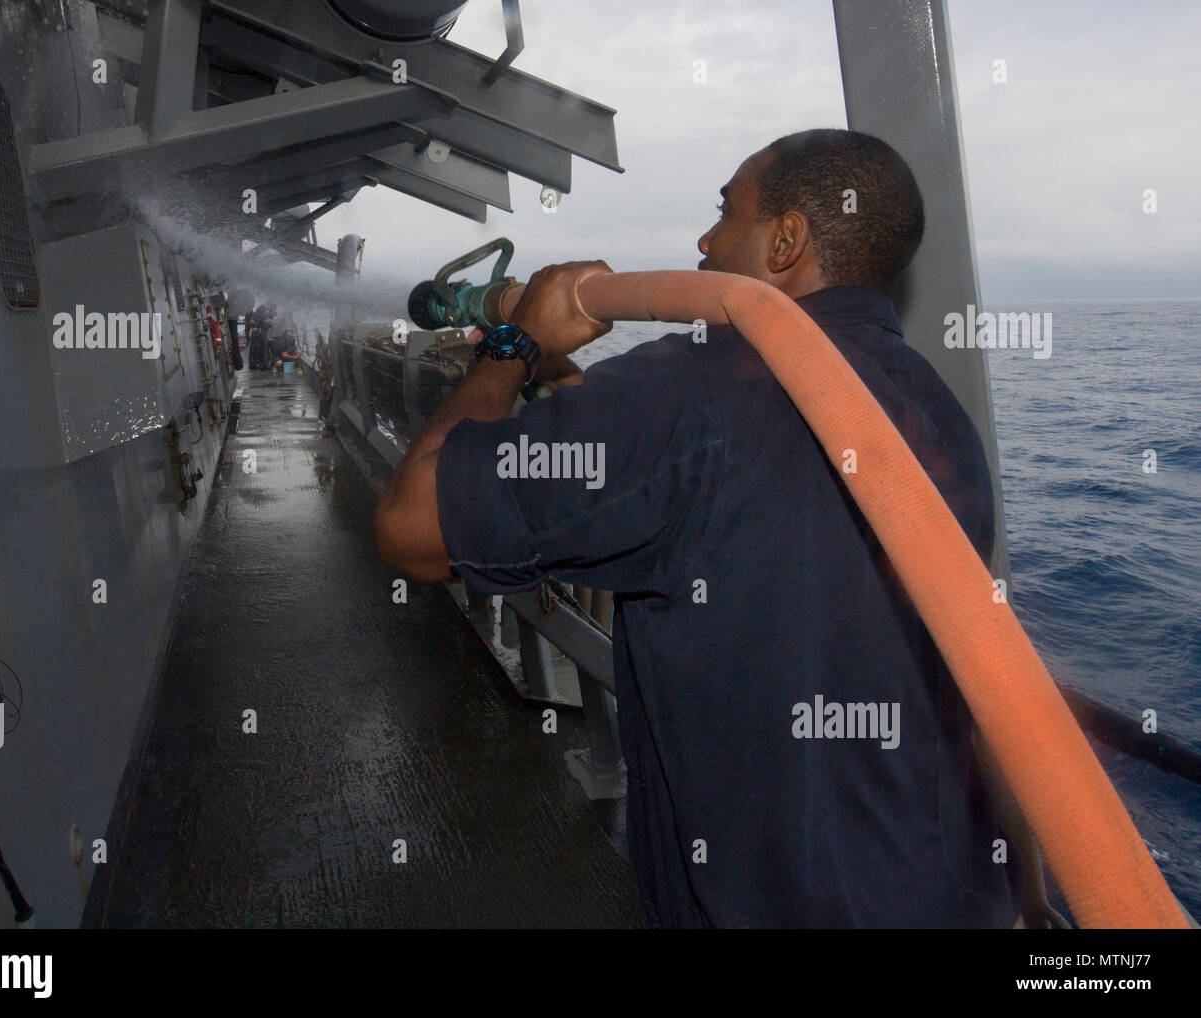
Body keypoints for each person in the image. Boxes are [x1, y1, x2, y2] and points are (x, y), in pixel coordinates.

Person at [374, 129, 1029, 928]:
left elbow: (411, 525)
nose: (703, 241)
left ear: (786, 240)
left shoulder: (693, 392)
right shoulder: (937, 409)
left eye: (725, 212)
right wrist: (577, 403)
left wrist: (514, 346)